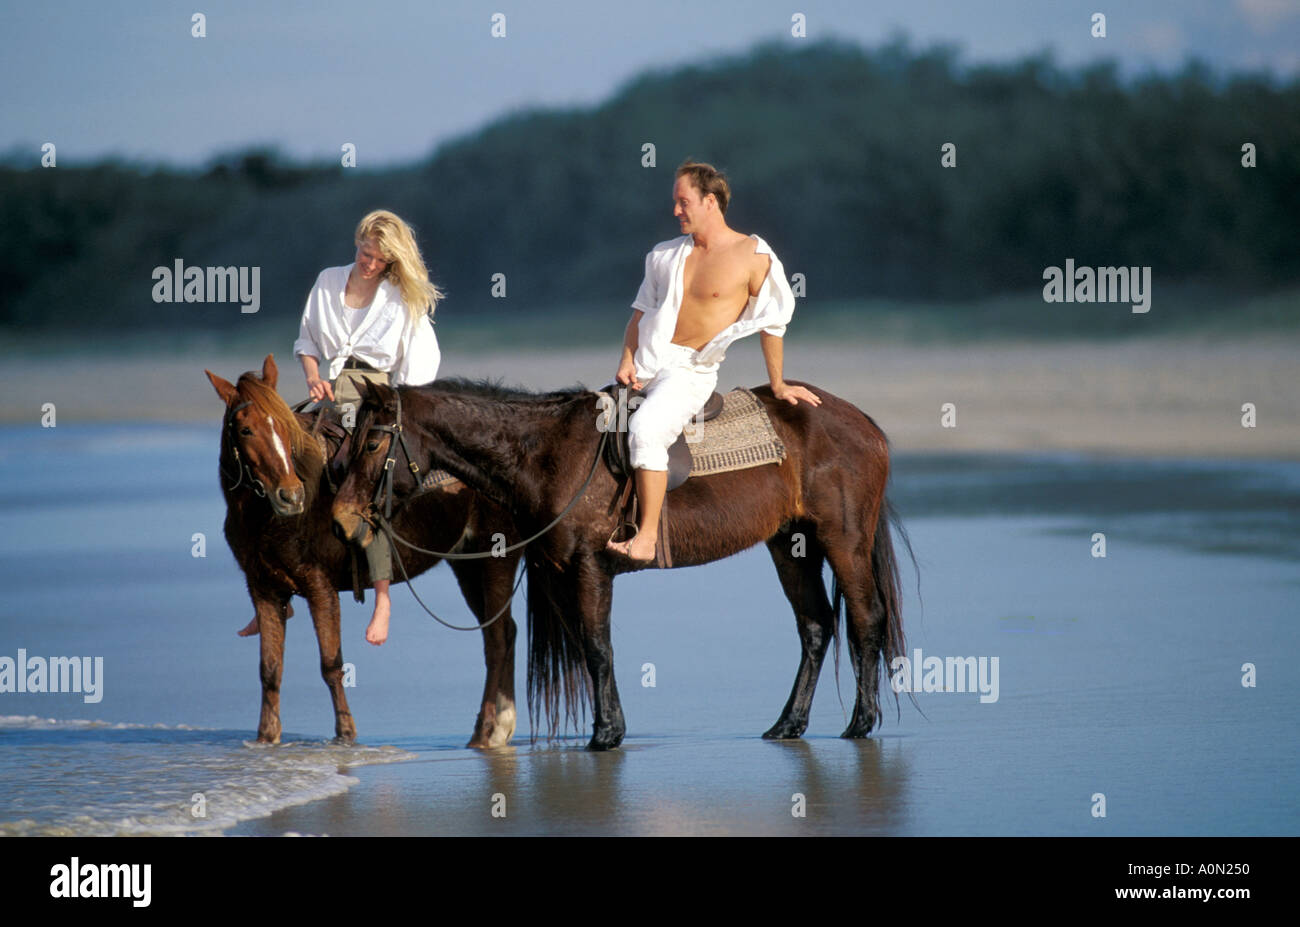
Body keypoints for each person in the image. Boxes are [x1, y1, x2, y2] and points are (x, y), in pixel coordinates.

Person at [237, 209, 443, 644]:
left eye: (380, 259)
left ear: (392, 261)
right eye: (366, 253)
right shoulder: (329, 280)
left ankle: (383, 597)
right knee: (282, 463)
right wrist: (312, 375)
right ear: (358, 244)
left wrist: (395, 410)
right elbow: (307, 341)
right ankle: (276, 592)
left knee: (361, 485)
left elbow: (420, 367)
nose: (369, 263)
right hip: (330, 396)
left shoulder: (402, 297)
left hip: (381, 402)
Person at [606, 161, 822, 563]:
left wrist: (777, 384)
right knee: (596, 429)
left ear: (710, 201)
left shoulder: (752, 255)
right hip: (649, 362)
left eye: (682, 201)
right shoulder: (663, 255)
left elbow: (772, 322)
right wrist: (627, 359)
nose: (675, 211)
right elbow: (639, 314)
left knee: (647, 430)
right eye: (674, 202)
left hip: (691, 371)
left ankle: (647, 537)